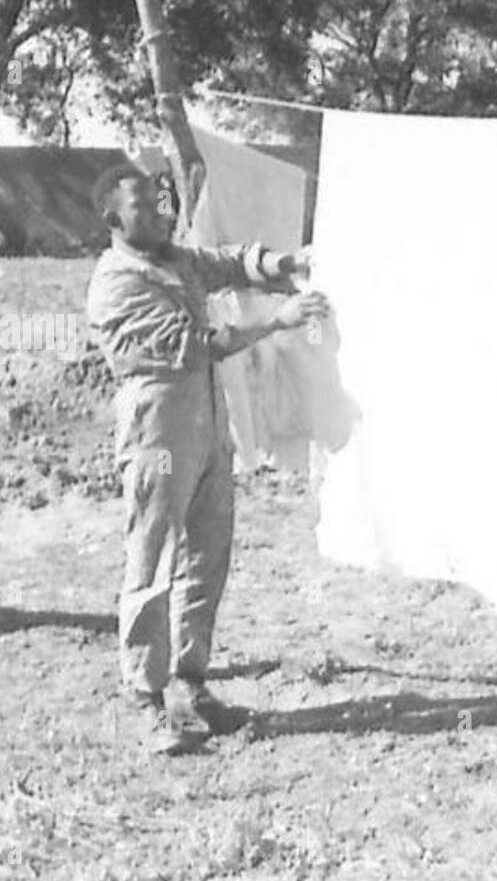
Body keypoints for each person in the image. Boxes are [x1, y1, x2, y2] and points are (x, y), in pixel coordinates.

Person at [86, 164, 329, 754]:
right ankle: (145, 700)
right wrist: (276, 320)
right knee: (153, 556)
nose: (159, 213)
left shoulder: (172, 258)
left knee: (207, 553)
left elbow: (225, 262)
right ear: (114, 220)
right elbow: (193, 347)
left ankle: (190, 684)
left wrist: (282, 266)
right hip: (158, 433)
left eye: (160, 202)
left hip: (205, 424)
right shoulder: (117, 282)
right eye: (143, 206)